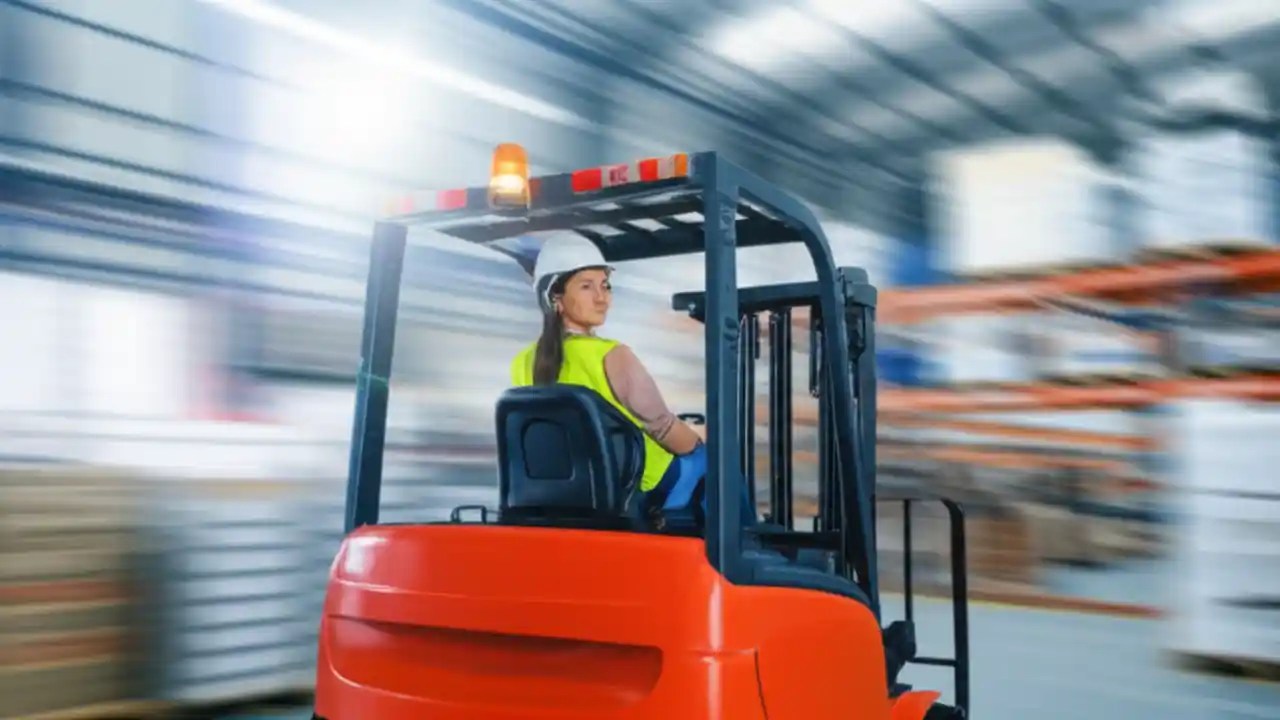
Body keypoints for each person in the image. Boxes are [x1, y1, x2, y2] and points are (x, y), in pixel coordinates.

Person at [508, 235, 752, 529]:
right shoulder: (612, 355)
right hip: (640, 485)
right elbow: (661, 425)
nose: (602, 297)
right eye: (587, 286)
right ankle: (749, 555)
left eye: (605, 285)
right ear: (555, 298)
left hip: (569, 492)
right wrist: (698, 443)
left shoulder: (522, 362)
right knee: (721, 466)